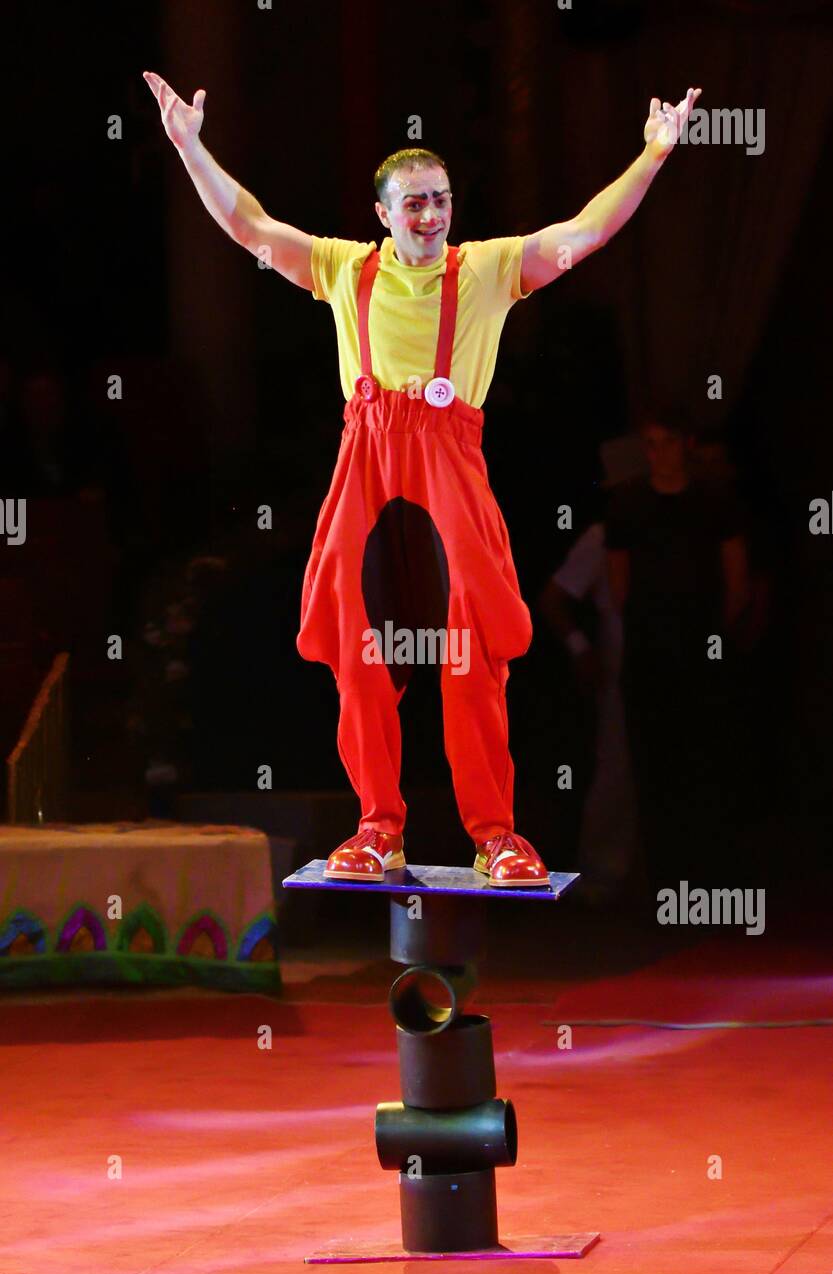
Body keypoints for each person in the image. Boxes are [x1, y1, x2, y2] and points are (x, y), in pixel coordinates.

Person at [144, 70, 701, 886]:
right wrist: (191, 148)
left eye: (439, 199)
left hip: (449, 466)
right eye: (413, 203)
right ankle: (378, 827)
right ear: (382, 215)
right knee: (360, 649)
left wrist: (653, 154)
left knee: (471, 650)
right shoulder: (343, 271)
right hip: (367, 465)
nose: (431, 215)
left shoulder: (485, 272)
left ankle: (495, 835)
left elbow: (584, 232)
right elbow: (247, 223)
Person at [605, 409, 749, 891]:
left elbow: (736, 576)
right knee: (652, 761)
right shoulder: (628, 503)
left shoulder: (713, 500)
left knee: (702, 758)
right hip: (649, 649)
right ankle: (661, 878)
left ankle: (706, 873)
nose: (658, 453)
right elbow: (618, 581)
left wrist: (716, 635)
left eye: (666, 442)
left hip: (700, 648)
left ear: (684, 444)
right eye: (650, 444)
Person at [540, 512, 638, 903]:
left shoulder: (693, 522)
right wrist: (581, 649)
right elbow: (554, 597)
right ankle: (602, 873)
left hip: (679, 666)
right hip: (624, 666)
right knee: (617, 763)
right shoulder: (606, 533)